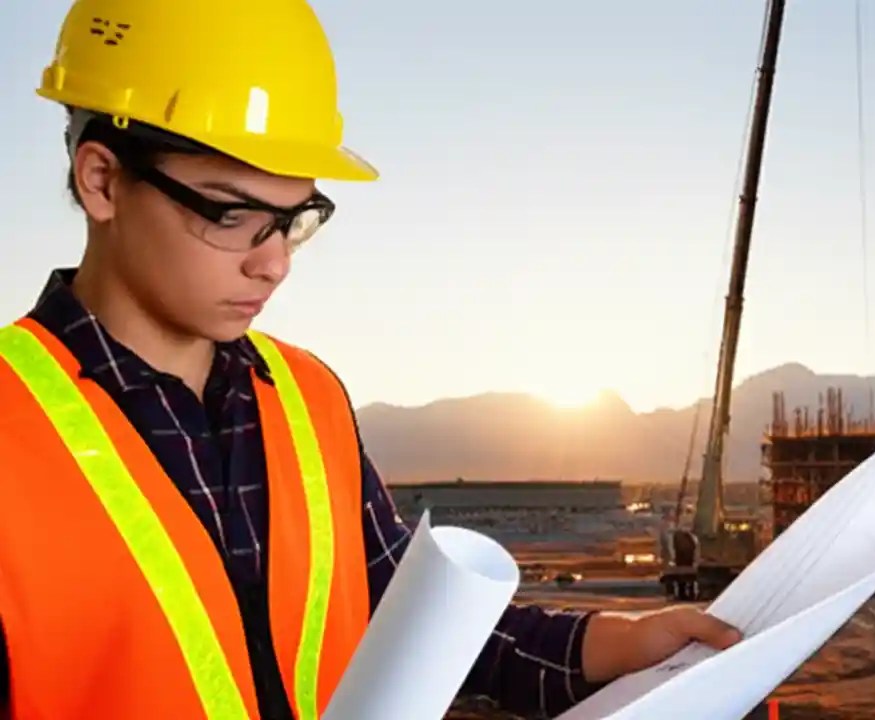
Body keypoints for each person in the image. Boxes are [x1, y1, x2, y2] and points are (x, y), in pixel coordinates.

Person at [0, 1, 740, 719]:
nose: (274, 264)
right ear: (102, 181)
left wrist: (623, 644)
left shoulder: (306, 398)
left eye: (294, 220)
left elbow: (413, 628)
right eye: (232, 214)